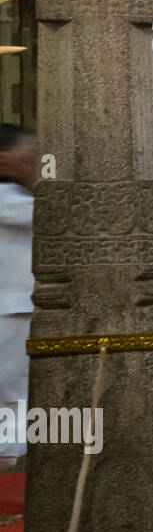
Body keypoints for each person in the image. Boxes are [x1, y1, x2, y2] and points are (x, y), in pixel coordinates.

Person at [0, 126, 35, 507]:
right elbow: (56, 215)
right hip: (8, 313)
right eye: (27, 156)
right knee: (12, 400)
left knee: (19, 401)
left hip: (20, 309)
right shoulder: (7, 198)